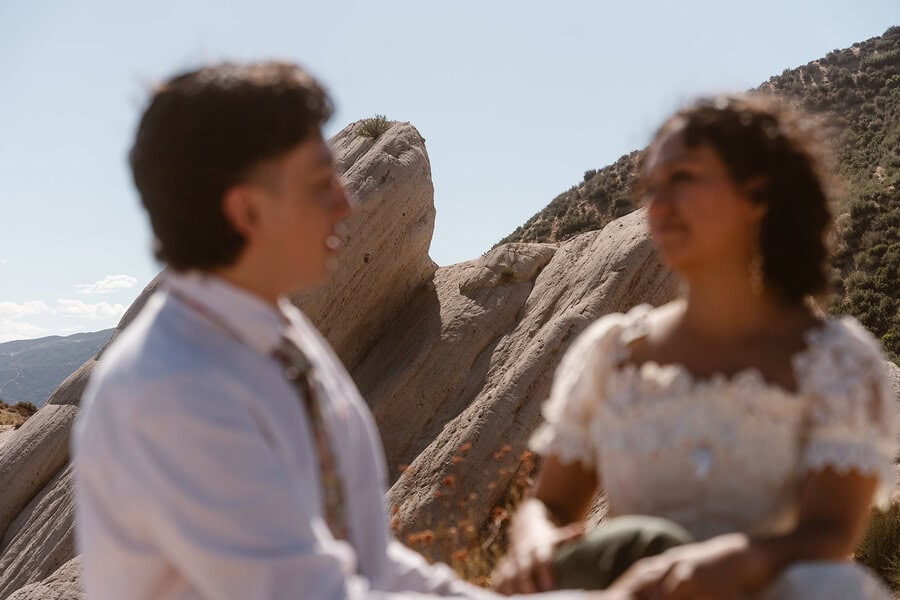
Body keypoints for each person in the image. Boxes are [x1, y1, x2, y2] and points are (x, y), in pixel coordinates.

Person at [72, 61, 615, 600]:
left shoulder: (283, 338)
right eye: (318, 182)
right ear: (247, 211)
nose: (344, 201)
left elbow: (365, 558)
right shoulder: (175, 388)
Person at [493, 94, 896, 599]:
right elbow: (551, 503)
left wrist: (743, 559)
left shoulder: (835, 362)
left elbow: (831, 530)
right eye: (651, 186)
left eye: (682, 179)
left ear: (758, 195)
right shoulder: (614, 351)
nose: (657, 206)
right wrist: (535, 538)